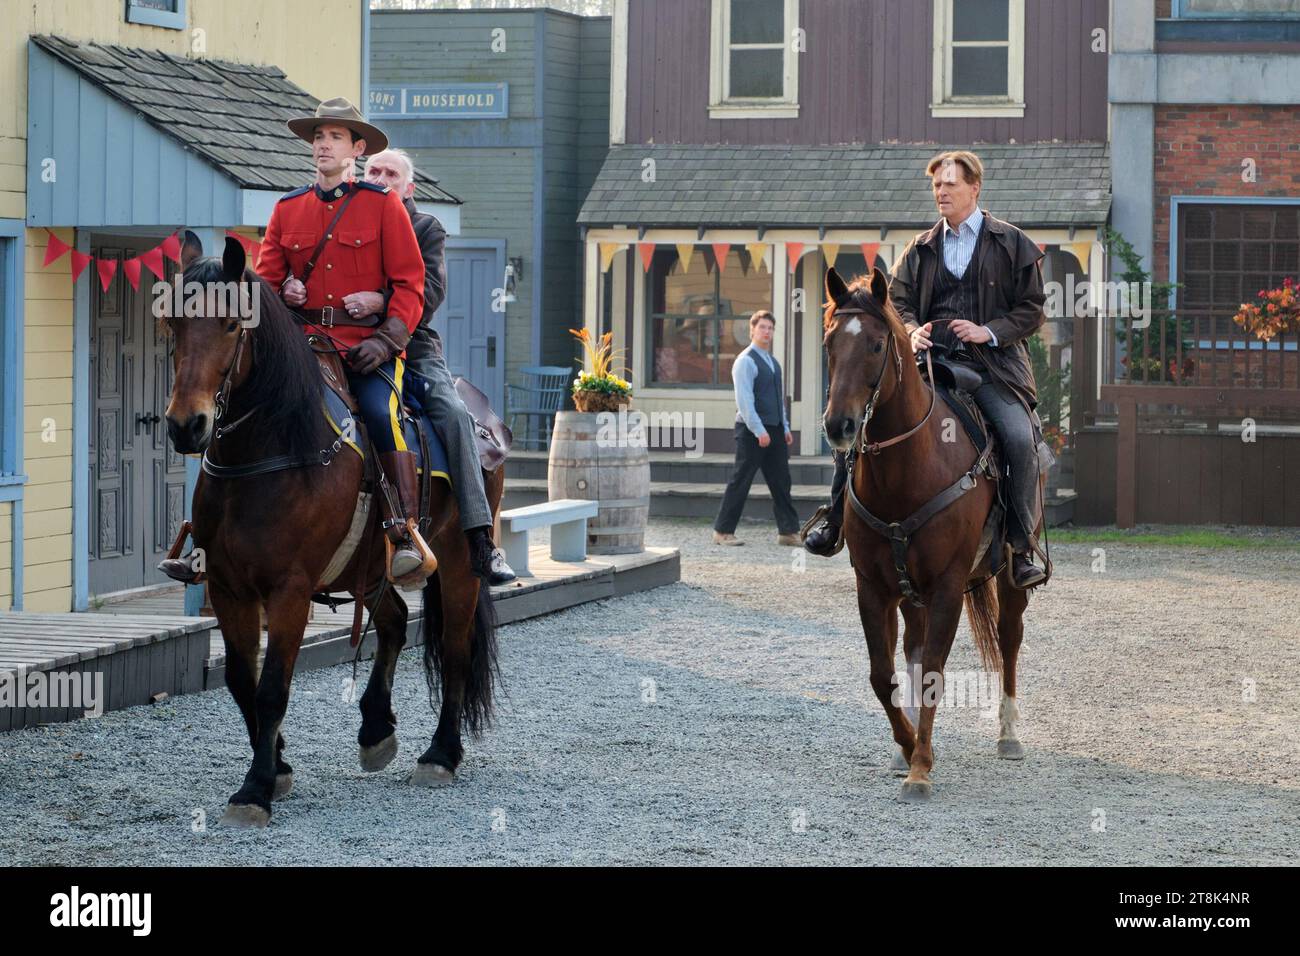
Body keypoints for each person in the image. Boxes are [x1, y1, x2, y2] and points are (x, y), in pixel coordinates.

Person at [160, 97, 432, 586]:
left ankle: (402, 530)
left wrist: (389, 340)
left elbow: (411, 284)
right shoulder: (287, 208)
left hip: (364, 349)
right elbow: (259, 292)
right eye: (318, 137)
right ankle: (204, 539)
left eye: (334, 137)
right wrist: (281, 291)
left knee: (379, 412)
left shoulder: (383, 205)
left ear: (357, 148)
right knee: (233, 412)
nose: (323, 145)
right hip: (301, 346)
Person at [802, 150, 1049, 589]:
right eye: (936, 185)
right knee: (858, 427)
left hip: (994, 368)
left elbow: (1032, 310)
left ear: (974, 187)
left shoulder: (1011, 242)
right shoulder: (918, 249)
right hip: (929, 364)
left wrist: (987, 331)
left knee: (1017, 437)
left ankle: (1020, 544)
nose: (941, 192)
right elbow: (893, 304)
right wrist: (912, 330)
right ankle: (835, 520)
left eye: (950, 184)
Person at [357, 147, 515, 584]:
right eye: (373, 169)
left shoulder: (425, 227)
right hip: (342, 339)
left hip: (413, 343)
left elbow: (427, 296)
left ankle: (480, 539)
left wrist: (381, 302)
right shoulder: (347, 220)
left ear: (408, 187)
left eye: (391, 172)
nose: (381, 176)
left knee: (453, 414)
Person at [713, 310, 801, 547]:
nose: (767, 332)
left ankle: (788, 532)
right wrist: (759, 430)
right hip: (752, 432)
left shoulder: (773, 363)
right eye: (762, 327)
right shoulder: (745, 361)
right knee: (741, 481)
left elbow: (778, 398)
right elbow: (744, 401)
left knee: (782, 481)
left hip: (775, 429)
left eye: (770, 328)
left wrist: (785, 427)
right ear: (752, 330)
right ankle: (722, 531)